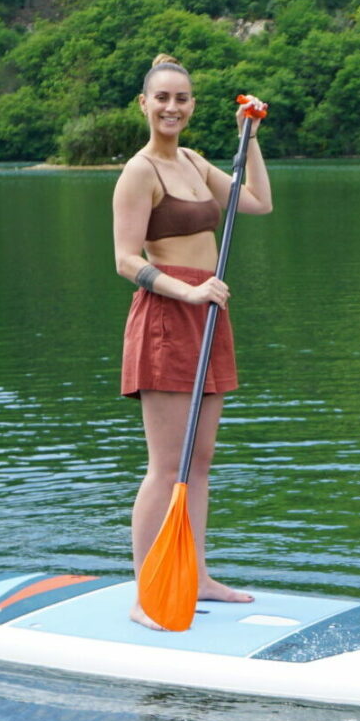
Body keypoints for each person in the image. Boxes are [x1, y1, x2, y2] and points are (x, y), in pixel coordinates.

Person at [113, 54, 272, 628]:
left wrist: (247, 137)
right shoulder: (139, 172)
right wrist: (186, 294)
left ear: (192, 105)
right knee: (165, 466)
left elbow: (257, 202)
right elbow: (125, 260)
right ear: (145, 104)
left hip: (209, 309)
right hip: (168, 313)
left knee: (198, 463)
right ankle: (145, 596)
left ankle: (197, 576)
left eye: (181, 98)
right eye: (162, 98)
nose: (172, 107)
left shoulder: (196, 162)